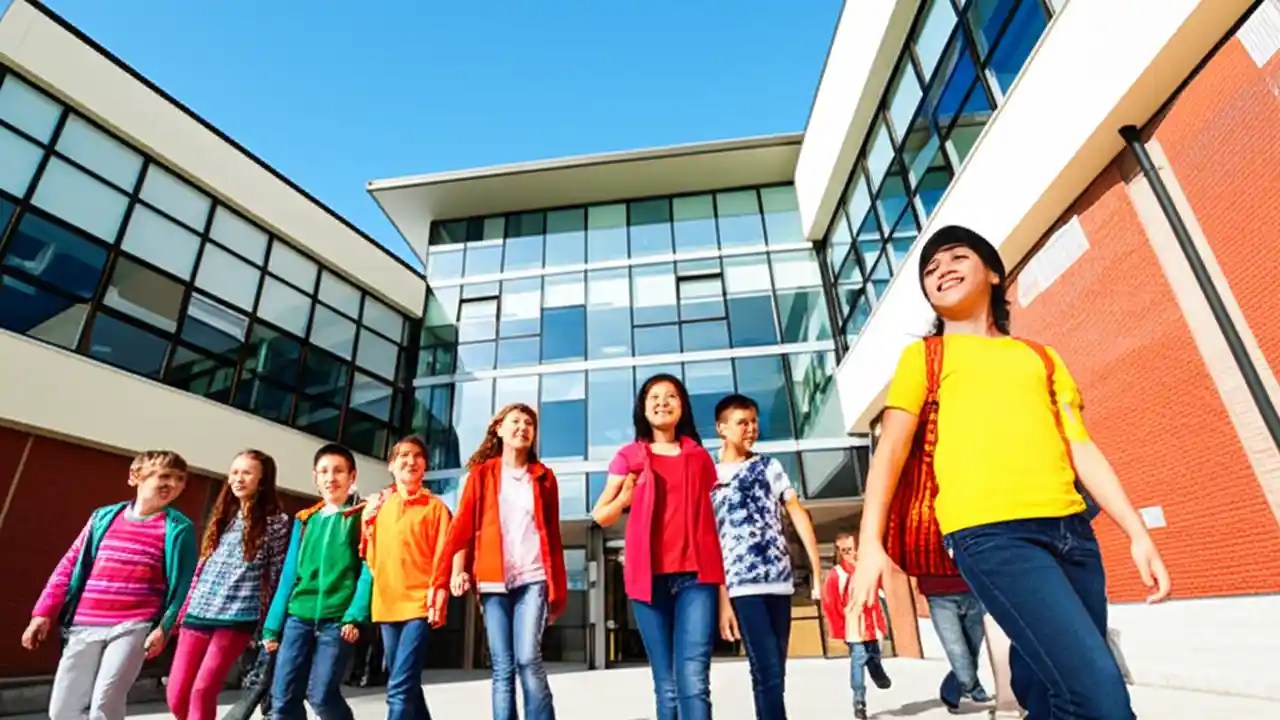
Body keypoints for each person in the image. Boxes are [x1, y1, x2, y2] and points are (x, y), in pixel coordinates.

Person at [850, 225, 1172, 719]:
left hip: (1072, 534)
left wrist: (1136, 530)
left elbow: (1079, 445)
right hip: (991, 535)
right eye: (930, 270)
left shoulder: (1041, 357)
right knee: (1099, 695)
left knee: (1045, 687)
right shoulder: (925, 357)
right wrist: (870, 543)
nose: (941, 271)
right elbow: (890, 450)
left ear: (994, 274)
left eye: (956, 257)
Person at [591, 373, 728, 720]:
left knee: (694, 680)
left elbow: (713, 525)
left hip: (697, 579)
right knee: (666, 683)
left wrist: (725, 594)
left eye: (671, 396)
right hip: (648, 581)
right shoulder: (629, 455)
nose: (662, 402)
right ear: (643, 407)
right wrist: (625, 496)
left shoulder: (699, 458)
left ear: (682, 408)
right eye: (655, 396)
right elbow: (601, 515)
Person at [22, 450, 197, 720]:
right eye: (164, 476)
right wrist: (42, 613)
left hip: (133, 626)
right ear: (135, 477)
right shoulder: (102, 518)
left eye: (179, 479)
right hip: (84, 623)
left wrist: (164, 627)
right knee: (62, 710)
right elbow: (69, 565)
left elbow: (183, 586)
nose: (172, 484)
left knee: (105, 701)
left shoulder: (178, 528)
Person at [435, 403, 567, 720]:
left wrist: (556, 588)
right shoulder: (481, 475)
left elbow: (552, 536)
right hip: (493, 581)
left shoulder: (543, 478)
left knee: (527, 658)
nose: (522, 427)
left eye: (529, 424)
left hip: (533, 578)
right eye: (515, 421)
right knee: (502, 667)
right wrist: (453, 573)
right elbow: (463, 527)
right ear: (499, 429)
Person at [708, 393, 824, 720]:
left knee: (774, 674)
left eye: (754, 422)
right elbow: (708, 541)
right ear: (722, 428)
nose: (751, 428)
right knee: (767, 669)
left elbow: (797, 513)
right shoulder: (708, 475)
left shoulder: (769, 466)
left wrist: (817, 570)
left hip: (780, 583)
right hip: (741, 587)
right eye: (742, 422)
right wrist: (722, 599)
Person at [167, 449, 290, 720]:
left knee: (203, 690)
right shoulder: (224, 515)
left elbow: (278, 573)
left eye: (246, 472)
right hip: (198, 613)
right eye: (234, 472)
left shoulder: (276, 521)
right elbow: (201, 569)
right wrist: (181, 612)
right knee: (176, 694)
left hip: (237, 617)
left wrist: (270, 625)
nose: (238, 478)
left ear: (262, 479)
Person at [263, 443, 373, 720]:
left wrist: (355, 615)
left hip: (337, 620)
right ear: (315, 477)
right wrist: (272, 625)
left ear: (352, 477)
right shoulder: (305, 520)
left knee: (321, 695)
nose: (330, 478)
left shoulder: (362, 517)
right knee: (283, 697)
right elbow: (289, 574)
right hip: (298, 617)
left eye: (338, 471)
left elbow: (368, 569)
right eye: (324, 471)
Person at [360, 435, 452, 720]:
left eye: (417, 456)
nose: (410, 461)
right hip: (386, 605)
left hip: (419, 604)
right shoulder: (378, 507)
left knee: (398, 687)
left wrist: (438, 594)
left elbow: (443, 557)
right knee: (407, 683)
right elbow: (369, 555)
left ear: (425, 466)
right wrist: (366, 519)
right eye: (403, 456)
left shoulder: (436, 508)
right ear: (391, 466)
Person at [821, 533, 890, 720]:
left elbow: (881, 589)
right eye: (842, 551)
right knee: (858, 660)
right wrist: (839, 627)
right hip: (853, 627)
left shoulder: (867, 569)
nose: (847, 554)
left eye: (850, 549)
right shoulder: (837, 574)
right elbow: (831, 602)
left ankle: (877, 671)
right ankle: (859, 701)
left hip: (873, 623)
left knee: (873, 656)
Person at [916, 573, 991, 713]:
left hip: (973, 587)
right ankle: (973, 688)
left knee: (972, 647)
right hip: (938, 592)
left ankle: (950, 692)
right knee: (956, 648)